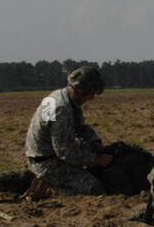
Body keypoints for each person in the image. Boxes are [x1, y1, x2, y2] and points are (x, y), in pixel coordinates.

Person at [24, 66, 112, 197]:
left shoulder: (64, 98)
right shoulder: (61, 109)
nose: (92, 98)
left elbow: (80, 128)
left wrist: (95, 141)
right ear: (81, 90)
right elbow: (65, 151)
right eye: (91, 93)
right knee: (94, 188)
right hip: (46, 163)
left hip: (47, 154)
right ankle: (50, 189)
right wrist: (95, 159)